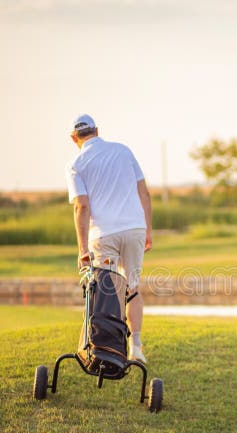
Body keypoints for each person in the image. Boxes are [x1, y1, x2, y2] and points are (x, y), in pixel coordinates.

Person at [66, 114, 153, 363]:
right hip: (135, 228)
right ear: (97, 130)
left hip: (103, 234)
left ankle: (102, 348)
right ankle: (135, 347)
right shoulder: (123, 151)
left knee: (106, 289)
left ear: (74, 138)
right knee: (132, 286)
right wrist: (147, 230)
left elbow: (81, 207)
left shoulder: (75, 164)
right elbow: (143, 192)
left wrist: (82, 249)